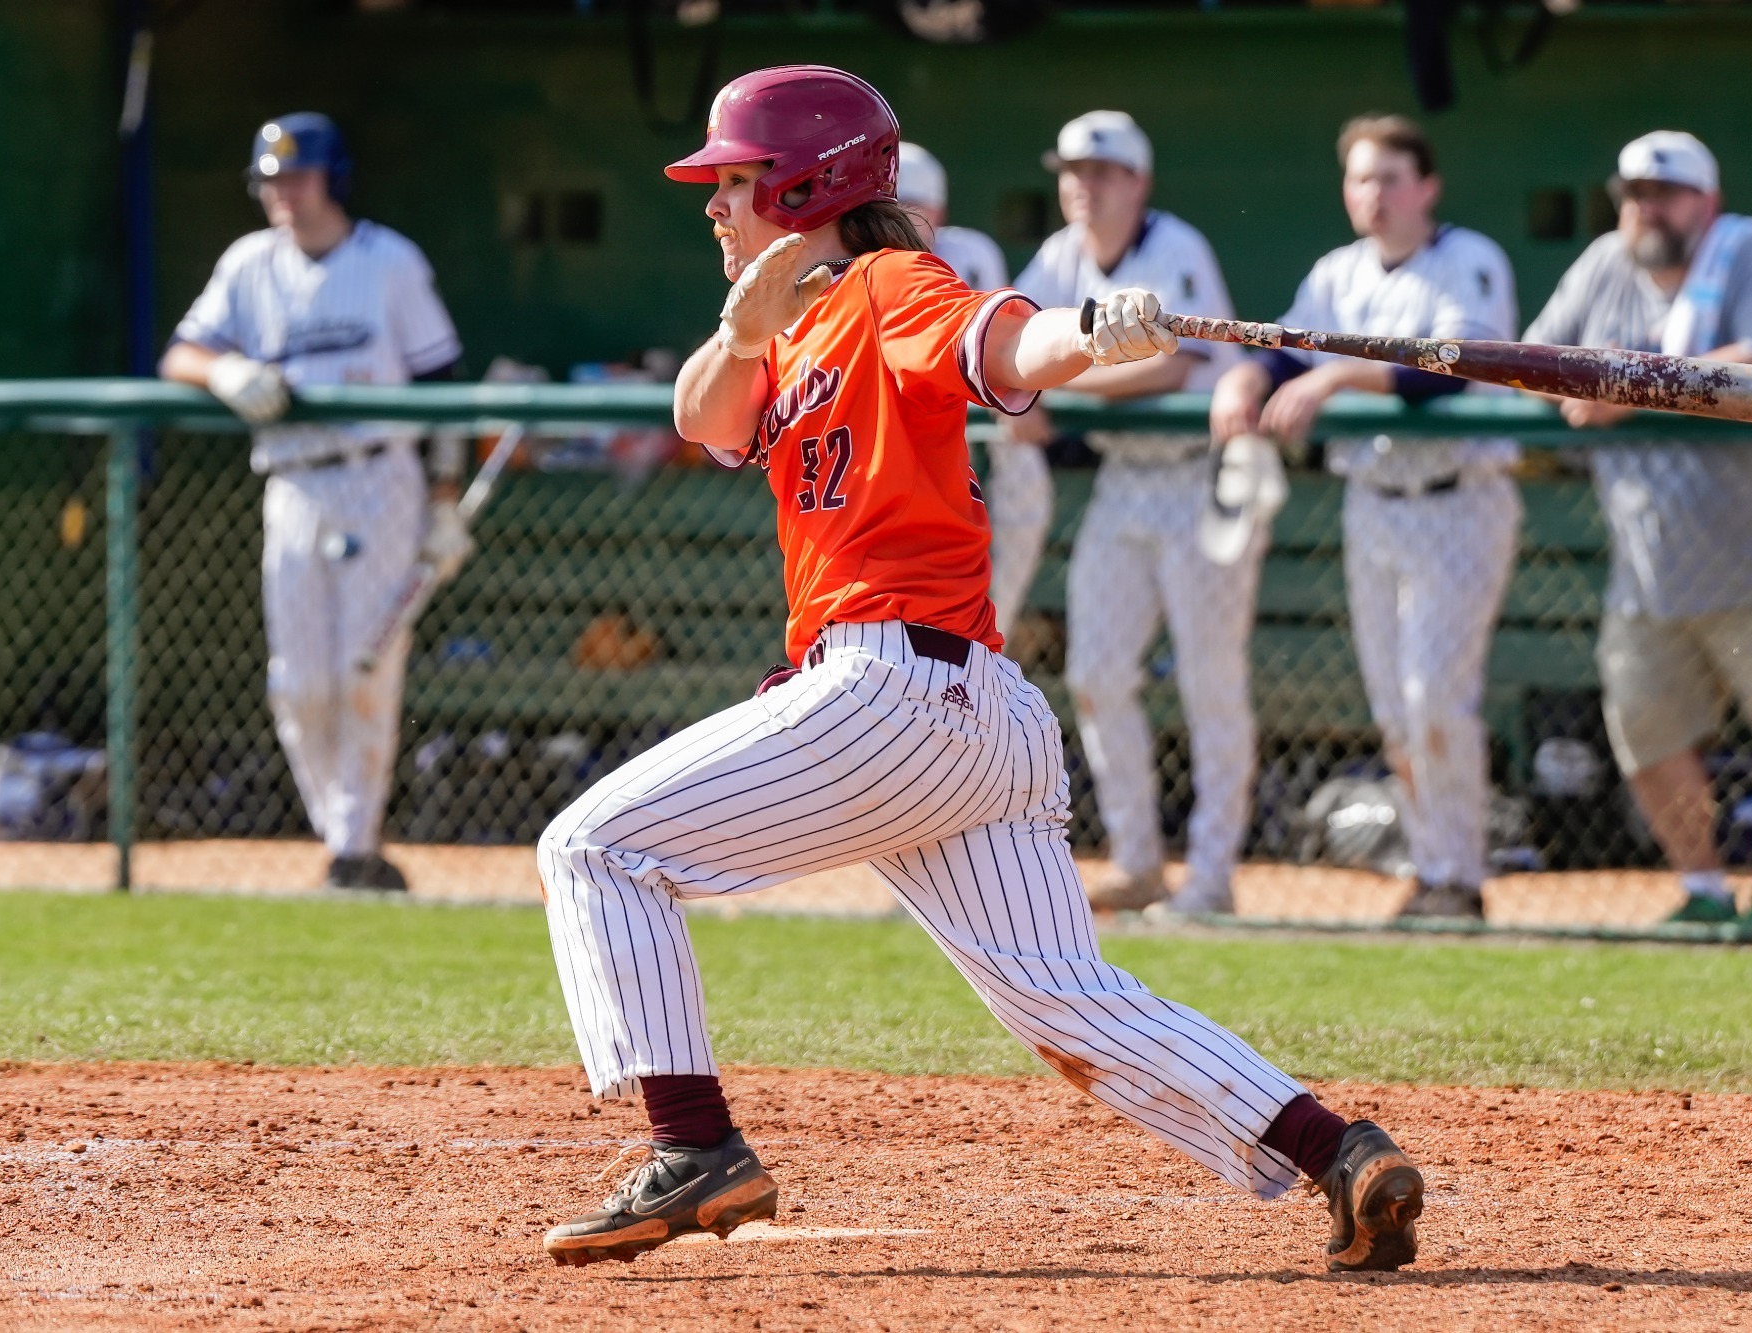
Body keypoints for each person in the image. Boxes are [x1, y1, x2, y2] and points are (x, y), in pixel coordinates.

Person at [536, 65, 1424, 1275]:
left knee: (595, 848)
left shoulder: (888, 283)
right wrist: (746, 325)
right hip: (970, 716)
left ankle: (690, 1145)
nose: (711, 206)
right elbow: (707, 416)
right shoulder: (785, 325)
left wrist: (1088, 332)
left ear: (804, 184)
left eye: (732, 183)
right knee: (1065, 997)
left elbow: (1000, 342)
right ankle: (1338, 1150)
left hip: (887, 689)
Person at [1523, 130, 1752, 936]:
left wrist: (1622, 389)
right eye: (1633, 192)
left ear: (1706, 203)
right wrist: (1569, 384)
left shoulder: (1751, 251)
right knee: (1645, 728)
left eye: (1665, 194)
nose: (1646, 208)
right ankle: (1703, 886)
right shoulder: (1605, 261)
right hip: (1652, 561)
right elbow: (1535, 353)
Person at [1210, 114, 1520, 920]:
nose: (1373, 194)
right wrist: (1246, 378)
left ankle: (1459, 874)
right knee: (1392, 706)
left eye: (1389, 177)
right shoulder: (1338, 271)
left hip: (1457, 499)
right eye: (1359, 178)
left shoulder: (1467, 261)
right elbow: (1287, 351)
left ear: (1426, 186)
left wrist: (1339, 381)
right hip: (1374, 502)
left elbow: (1452, 372)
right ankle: (1433, 870)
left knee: (1433, 698)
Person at [160, 113, 469, 891]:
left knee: (364, 669)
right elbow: (180, 353)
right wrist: (223, 374)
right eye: (270, 180)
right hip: (294, 482)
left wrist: (443, 500)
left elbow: (443, 387)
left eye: (296, 178)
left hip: (380, 476)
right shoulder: (249, 263)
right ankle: (341, 833)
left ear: (332, 179)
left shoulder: (389, 261)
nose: (282, 194)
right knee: (298, 682)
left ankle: (352, 846)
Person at [1006, 110, 1256, 915]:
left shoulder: (1173, 247)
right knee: (1095, 674)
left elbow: (1167, 362)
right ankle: (1139, 858)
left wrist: (1056, 389)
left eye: (1103, 171)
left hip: (1200, 478)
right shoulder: (1059, 256)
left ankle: (1212, 877)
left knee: (1211, 681)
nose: (1084, 185)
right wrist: (1027, 391)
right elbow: (1015, 348)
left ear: (1137, 182)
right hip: (1124, 480)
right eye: (1073, 170)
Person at [897, 141, 1050, 641]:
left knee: (1023, 471)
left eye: (912, 205)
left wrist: (1015, 397)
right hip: (902, 453)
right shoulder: (847, 267)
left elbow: (1003, 350)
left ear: (937, 210)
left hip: (972, 446)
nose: (899, 217)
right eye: (889, 204)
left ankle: (989, 632)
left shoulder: (969, 253)